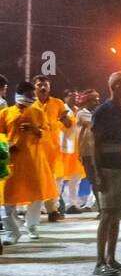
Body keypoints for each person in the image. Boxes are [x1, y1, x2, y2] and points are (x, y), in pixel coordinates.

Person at [90, 72, 121, 275]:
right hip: (108, 168)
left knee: (118, 214)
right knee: (107, 214)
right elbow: (94, 143)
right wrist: (97, 172)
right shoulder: (103, 111)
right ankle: (100, 263)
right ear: (114, 87)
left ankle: (112, 258)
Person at [1, 82, 58, 243]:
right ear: (20, 94)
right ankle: (12, 232)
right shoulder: (5, 113)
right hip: (12, 162)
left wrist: (35, 130)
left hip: (34, 161)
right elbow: (0, 136)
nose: (32, 98)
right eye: (29, 95)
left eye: (33, 95)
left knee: (36, 196)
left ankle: (31, 226)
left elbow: (47, 134)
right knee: (7, 199)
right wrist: (7, 145)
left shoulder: (37, 113)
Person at [32, 75, 74, 224]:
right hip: (34, 150)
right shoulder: (30, 105)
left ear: (49, 87)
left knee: (52, 181)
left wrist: (65, 120)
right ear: (34, 88)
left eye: (45, 85)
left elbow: (69, 124)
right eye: (39, 85)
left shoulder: (58, 104)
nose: (43, 88)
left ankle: (52, 211)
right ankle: (32, 214)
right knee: (35, 181)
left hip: (52, 150)